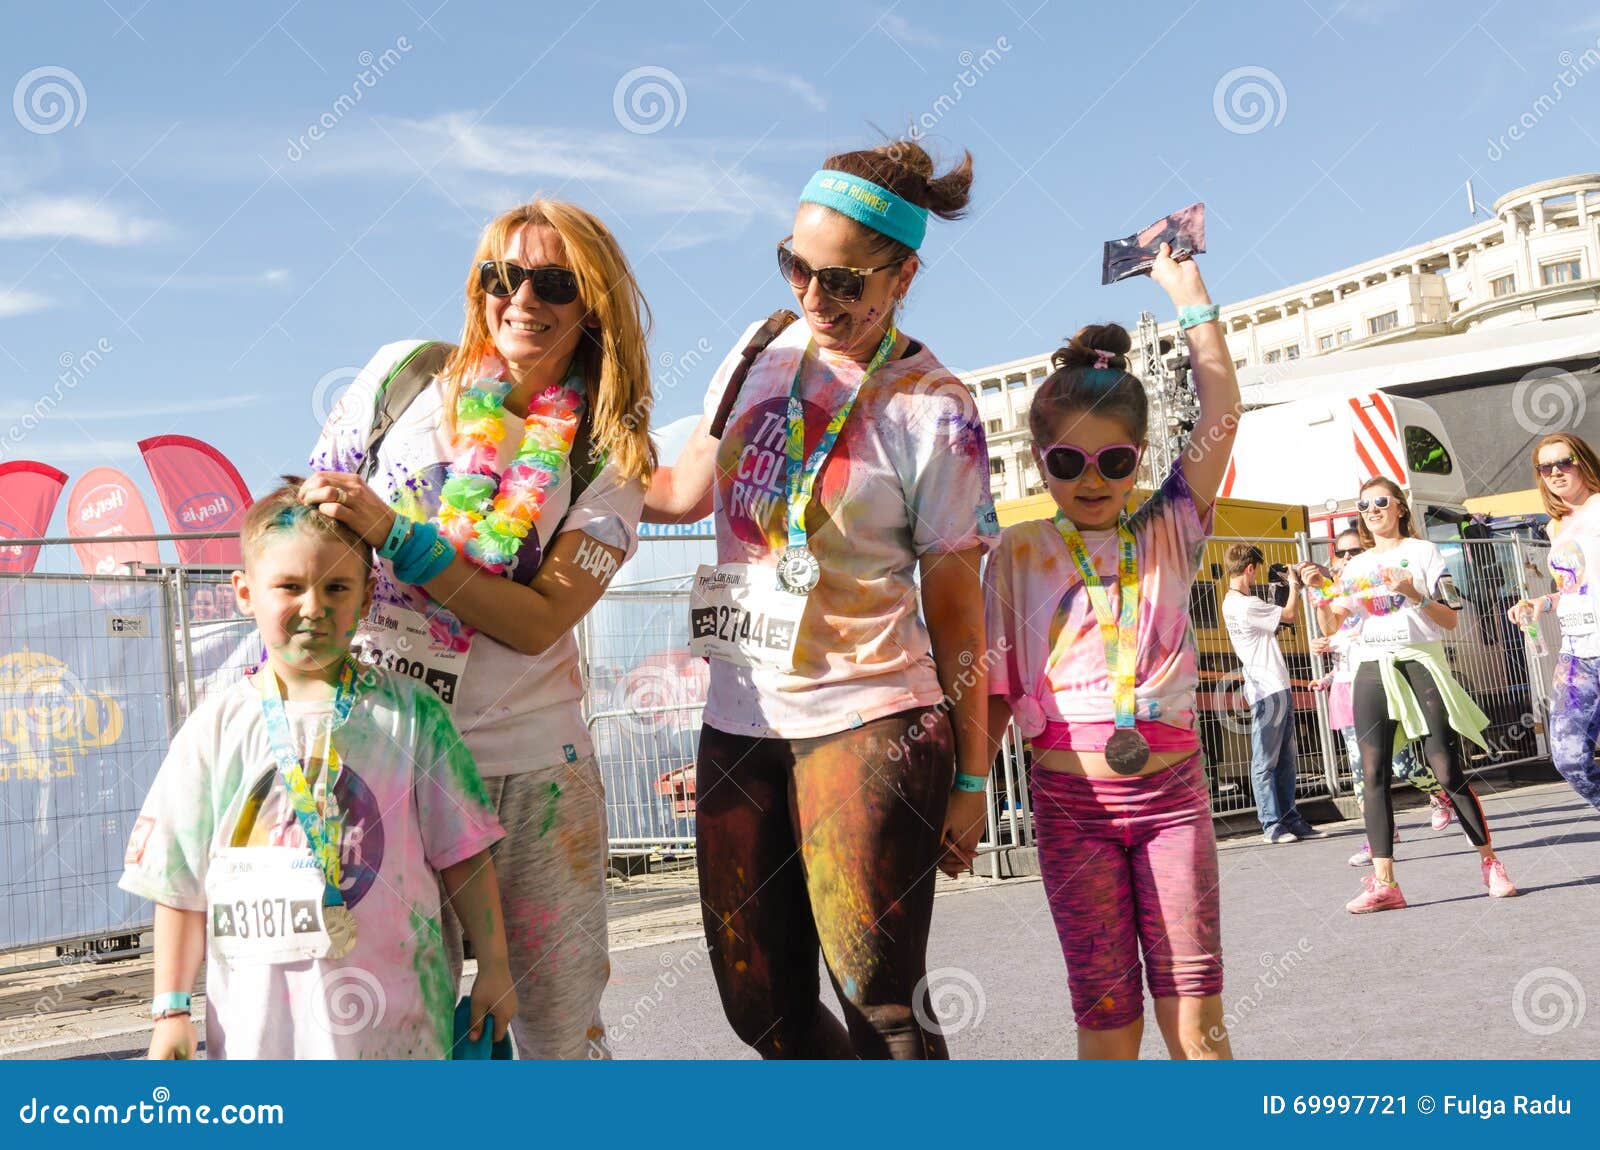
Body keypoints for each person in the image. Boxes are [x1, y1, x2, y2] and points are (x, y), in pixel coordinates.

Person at [644, 139, 998, 1058]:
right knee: (758, 1005)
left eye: (842, 279)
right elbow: (681, 490)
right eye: (795, 266)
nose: (814, 296)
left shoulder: (935, 404)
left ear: (904, 275)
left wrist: (971, 774)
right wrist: (552, 456)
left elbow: (959, 608)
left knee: (881, 1002)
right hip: (741, 714)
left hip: (871, 713)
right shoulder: (762, 347)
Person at [302, 200, 654, 1057]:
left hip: (530, 773)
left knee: (556, 1033)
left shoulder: (611, 456)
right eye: (501, 275)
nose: (520, 298)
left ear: (593, 302)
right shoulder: (403, 377)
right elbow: (317, 519)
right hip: (382, 754)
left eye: (553, 281)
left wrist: (404, 540)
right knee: (390, 1026)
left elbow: (538, 623)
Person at [120, 481, 512, 1059]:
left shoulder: (412, 717)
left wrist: (497, 968)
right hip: (261, 1039)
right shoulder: (214, 730)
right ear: (245, 593)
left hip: (398, 1029)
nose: (313, 607)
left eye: (335, 587)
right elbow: (178, 885)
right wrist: (170, 1009)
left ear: (367, 593)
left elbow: (465, 855)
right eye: (289, 587)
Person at [985, 243, 1237, 1059]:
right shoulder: (1016, 554)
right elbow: (986, 682)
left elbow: (1222, 408)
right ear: (1039, 461)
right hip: (1071, 809)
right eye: (1067, 462)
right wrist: (961, 789)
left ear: (1140, 460)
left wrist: (1187, 292)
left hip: (1173, 800)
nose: (1091, 479)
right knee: (1105, 1026)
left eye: (1115, 461)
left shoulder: (1170, 526)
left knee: (1196, 1025)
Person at [1311, 477, 1516, 912]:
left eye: (1380, 502)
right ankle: (1385, 882)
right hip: (1371, 666)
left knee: (1445, 765)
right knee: (1372, 775)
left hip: (1419, 661)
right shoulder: (1355, 566)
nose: (1372, 510)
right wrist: (1322, 593)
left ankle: (1490, 862)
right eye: (1364, 504)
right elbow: (1336, 628)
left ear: (1400, 507)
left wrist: (1411, 593)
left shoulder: (1423, 553)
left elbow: (1450, 620)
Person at [1309, 529, 1451, 867]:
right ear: (1333, 561)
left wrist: (1341, 640)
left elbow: (1369, 636)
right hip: (1345, 689)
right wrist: (1326, 673)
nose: (1347, 558)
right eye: (1341, 553)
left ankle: (1439, 794)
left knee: (1401, 765)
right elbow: (1334, 639)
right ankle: (1377, 838)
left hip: (1377, 680)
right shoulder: (1337, 596)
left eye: (1353, 551)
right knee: (1361, 769)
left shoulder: (1374, 590)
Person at [1508, 432, 1600, 814]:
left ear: (1584, 462)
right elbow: (1576, 587)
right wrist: (1540, 602)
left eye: (1565, 462)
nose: (1556, 472)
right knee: (1568, 756)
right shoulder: (1555, 526)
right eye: (1546, 467)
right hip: (1577, 652)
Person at [1221, 544, 1322, 843]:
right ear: (1250, 568)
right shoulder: (1245, 605)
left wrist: (1280, 584)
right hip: (1266, 690)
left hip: (1275, 686)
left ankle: (1291, 819)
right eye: (1255, 571)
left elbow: (1273, 622)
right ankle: (1271, 825)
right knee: (1266, 760)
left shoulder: (1236, 602)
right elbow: (1289, 615)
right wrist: (1293, 584)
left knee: (1286, 759)